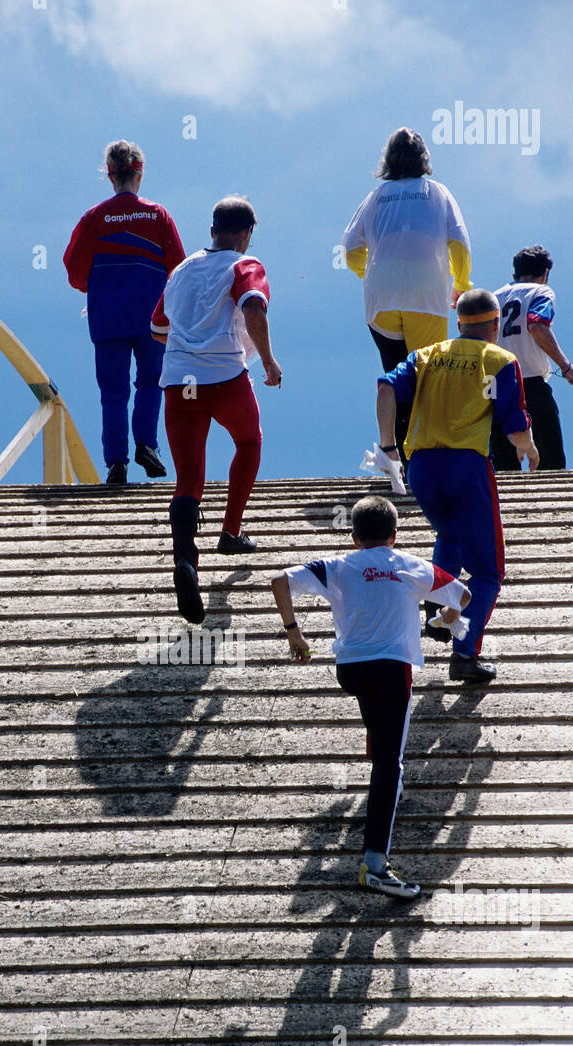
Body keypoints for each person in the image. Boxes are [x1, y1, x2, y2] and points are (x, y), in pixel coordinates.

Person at [271, 495, 470, 899]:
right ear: (394, 536)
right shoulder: (412, 565)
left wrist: (295, 632)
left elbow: (278, 580)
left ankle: (383, 785)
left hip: (351, 669)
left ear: (353, 536)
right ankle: (375, 865)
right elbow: (463, 597)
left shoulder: (338, 565)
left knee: (380, 727)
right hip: (392, 668)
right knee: (389, 765)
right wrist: (442, 619)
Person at [376, 287, 537, 685]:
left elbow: (384, 387)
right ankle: (465, 653)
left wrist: (388, 448)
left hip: (422, 467)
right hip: (466, 464)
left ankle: (437, 609)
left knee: (448, 533)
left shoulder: (427, 355)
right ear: (496, 324)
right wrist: (531, 451)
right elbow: (514, 425)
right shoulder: (499, 359)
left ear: (459, 323)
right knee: (487, 571)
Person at [150, 195, 282, 625]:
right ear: (245, 234)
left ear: (211, 231)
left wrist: (188, 346)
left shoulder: (181, 270)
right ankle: (230, 532)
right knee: (249, 440)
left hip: (179, 383)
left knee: (189, 478)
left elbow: (157, 329)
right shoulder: (246, 265)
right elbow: (253, 306)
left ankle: (186, 559)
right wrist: (267, 359)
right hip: (225, 378)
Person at [342, 128, 472, 462]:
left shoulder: (376, 197)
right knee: (427, 377)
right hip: (427, 295)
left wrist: (366, 273)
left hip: (381, 297)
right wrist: (462, 285)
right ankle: (423, 454)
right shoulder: (437, 193)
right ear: (424, 159)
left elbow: (350, 248)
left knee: (396, 372)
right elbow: (459, 243)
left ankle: (394, 451)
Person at [63, 139, 186, 487]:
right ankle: (146, 443)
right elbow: (179, 269)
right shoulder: (158, 215)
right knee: (151, 382)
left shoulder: (95, 217)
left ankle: (116, 462)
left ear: (109, 175)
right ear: (140, 173)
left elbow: (73, 270)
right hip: (153, 318)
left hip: (109, 318)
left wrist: (99, 287)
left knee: (113, 392)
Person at [490, 245, 573, 471]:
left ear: (514, 275)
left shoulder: (493, 297)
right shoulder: (541, 292)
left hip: (493, 384)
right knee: (549, 459)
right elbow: (536, 325)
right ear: (545, 275)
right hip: (529, 381)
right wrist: (565, 366)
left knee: (503, 464)